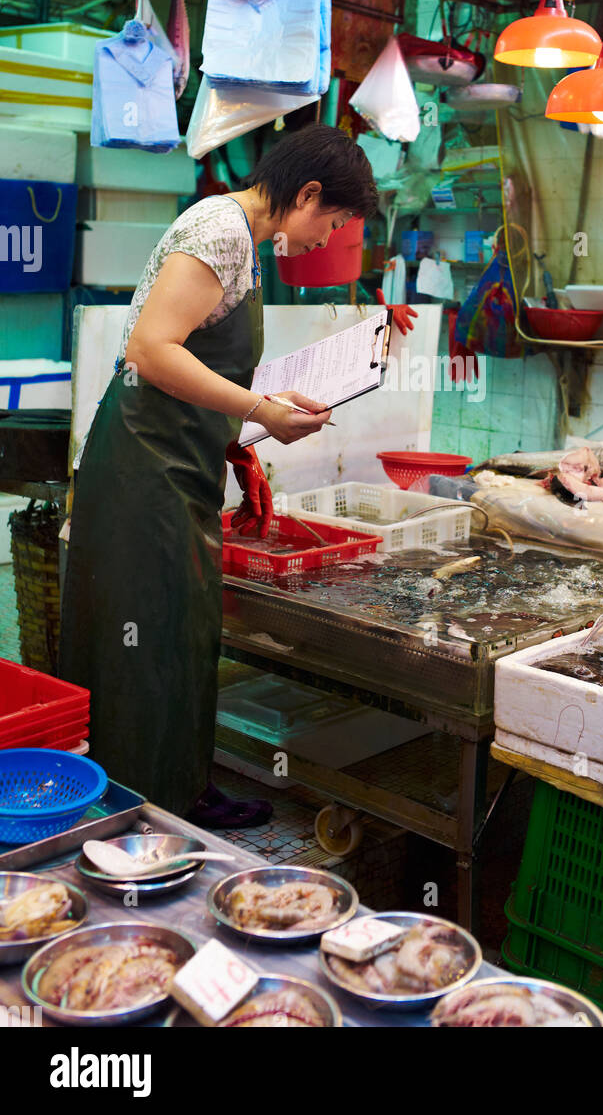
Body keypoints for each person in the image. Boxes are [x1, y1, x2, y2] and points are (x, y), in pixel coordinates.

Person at [60, 125, 379, 827]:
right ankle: (138, 813)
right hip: (143, 468)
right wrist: (259, 406)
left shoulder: (246, 242)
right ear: (308, 194)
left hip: (180, 464)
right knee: (146, 636)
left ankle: (177, 794)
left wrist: (256, 416)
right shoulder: (220, 228)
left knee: (180, 632)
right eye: (331, 222)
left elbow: (205, 362)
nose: (328, 239)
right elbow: (150, 349)